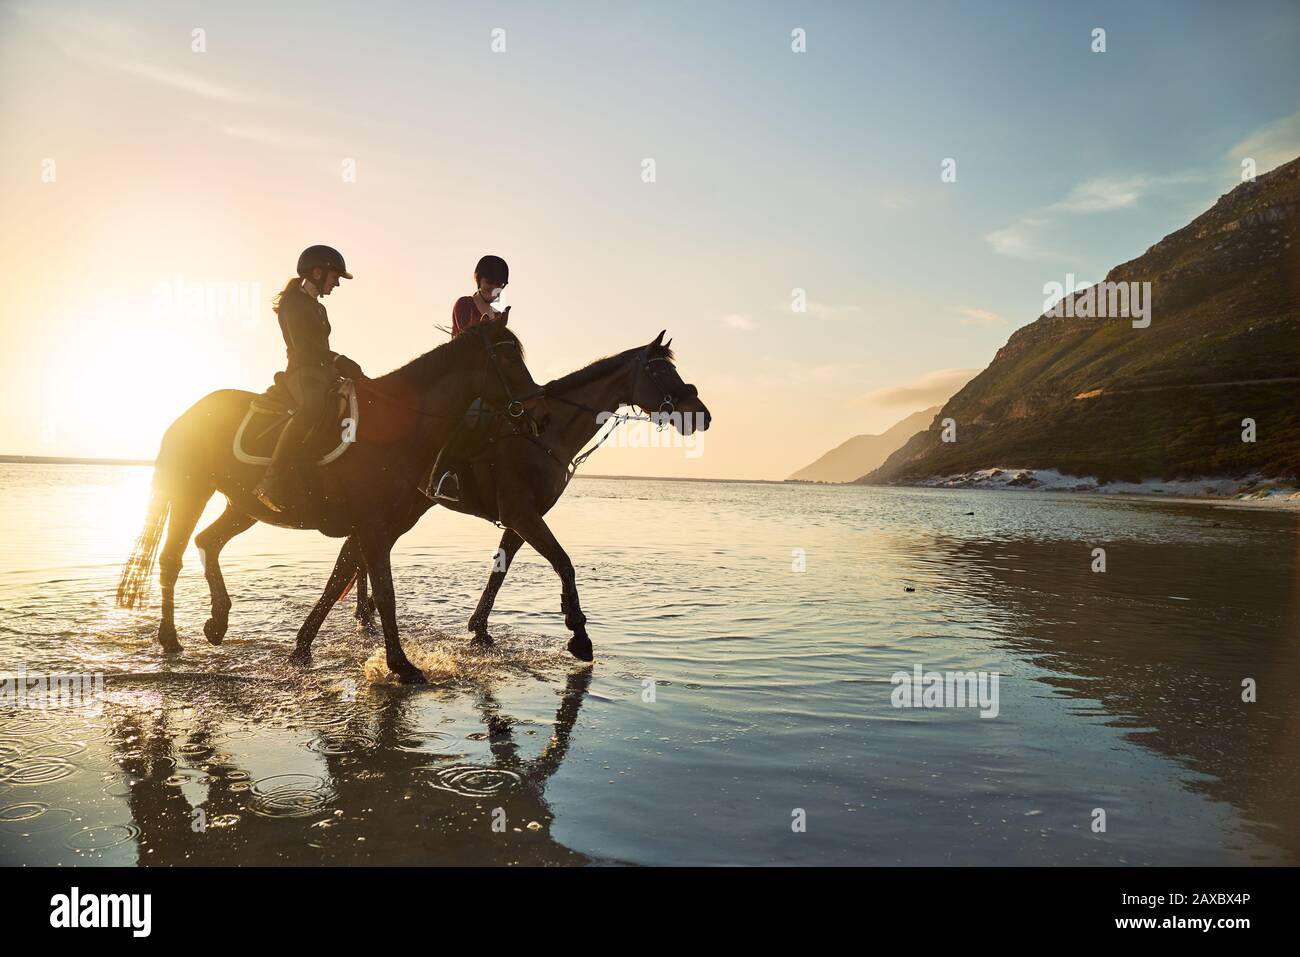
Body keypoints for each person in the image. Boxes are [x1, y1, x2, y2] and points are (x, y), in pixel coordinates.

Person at [253, 245, 364, 512]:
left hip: (324, 371)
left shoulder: (318, 308)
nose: (336, 283)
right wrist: (338, 360)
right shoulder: (293, 302)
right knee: (312, 407)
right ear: (317, 272)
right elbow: (305, 347)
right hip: (303, 372)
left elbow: (323, 349)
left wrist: (340, 367)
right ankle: (271, 480)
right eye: (334, 276)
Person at [429, 255, 510, 502]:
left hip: (488, 381)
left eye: (499, 286)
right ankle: (443, 474)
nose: (493, 291)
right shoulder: (464, 304)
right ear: (479, 281)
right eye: (488, 285)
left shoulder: (497, 314)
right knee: (474, 412)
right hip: (460, 378)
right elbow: (467, 345)